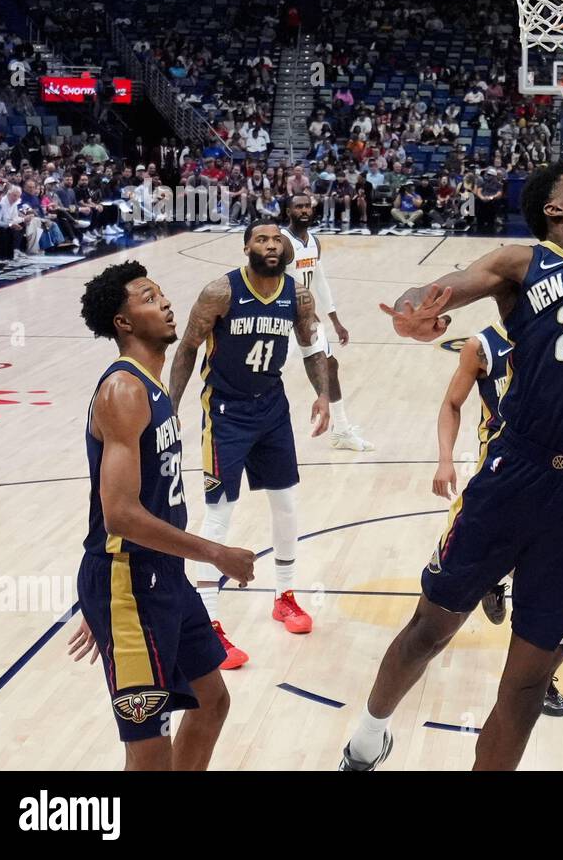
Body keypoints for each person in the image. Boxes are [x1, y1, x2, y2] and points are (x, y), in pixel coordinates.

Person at [340, 0, 563, 771]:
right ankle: (367, 735)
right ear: (555, 210)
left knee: (527, 682)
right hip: (513, 471)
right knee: (431, 626)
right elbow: (457, 280)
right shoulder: (524, 262)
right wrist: (421, 308)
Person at [70, 260, 255, 770]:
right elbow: (120, 515)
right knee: (149, 752)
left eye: (162, 294)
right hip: (128, 581)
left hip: (156, 580)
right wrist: (216, 553)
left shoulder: (151, 388)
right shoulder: (124, 391)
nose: (166, 302)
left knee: (212, 701)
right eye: (149, 298)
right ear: (123, 323)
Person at [168, 221, 331, 670]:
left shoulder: (298, 296)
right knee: (220, 514)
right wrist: (170, 407)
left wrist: (322, 394)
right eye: (262, 239)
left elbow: (312, 348)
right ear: (246, 248)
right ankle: (208, 624)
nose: (271, 245)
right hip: (225, 412)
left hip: (272, 408)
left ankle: (285, 596)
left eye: (277, 239)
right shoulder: (219, 292)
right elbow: (186, 350)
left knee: (287, 505)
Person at [430, 325, 563, 717]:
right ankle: (424, 640)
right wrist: (444, 459)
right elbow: (452, 403)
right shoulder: (482, 346)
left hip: (557, 476)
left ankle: (543, 680)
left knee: (551, 591)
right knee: (446, 583)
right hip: (499, 475)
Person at [281, 193, 374, 451]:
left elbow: (319, 282)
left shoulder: (314, 242)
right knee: (267, 375)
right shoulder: (282, 243)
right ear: (289, 211)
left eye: (307, 206)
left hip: (308, 318)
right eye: (298, 206)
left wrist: (335, 319)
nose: (304, 210)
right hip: (284, 321)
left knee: (330, 366)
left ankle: (342, 430)